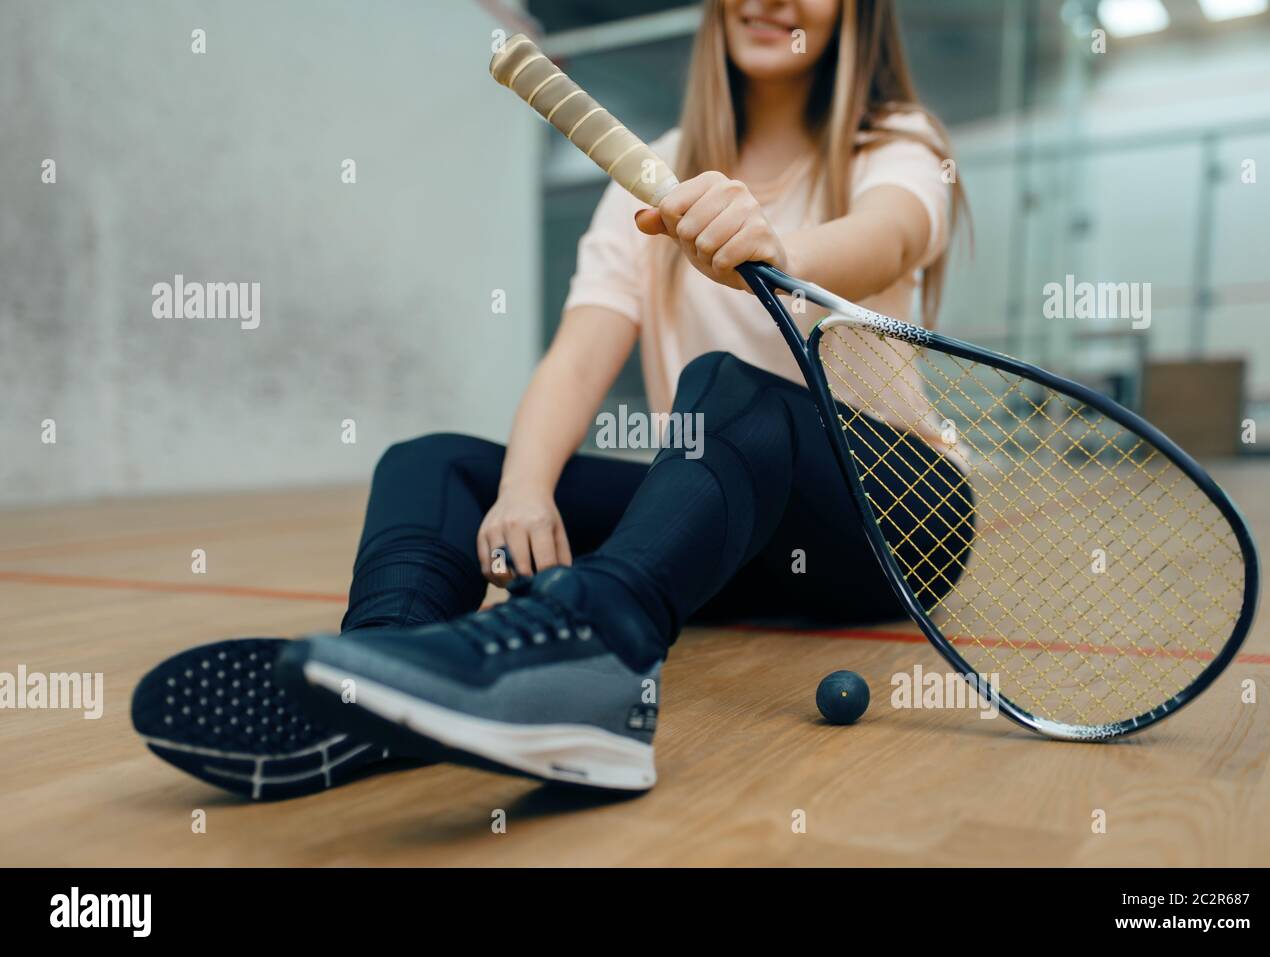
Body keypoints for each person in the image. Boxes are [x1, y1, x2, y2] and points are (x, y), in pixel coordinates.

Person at [133, 0, 969, 798]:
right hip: (733, 542)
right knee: (436, 465)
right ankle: (381, 682)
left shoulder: (896, 142)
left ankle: (596, 655)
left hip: (893, 517)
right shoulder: (653, 170)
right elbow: (576, 361)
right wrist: (525, 490)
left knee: (727, 387)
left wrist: (780, 247)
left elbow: (888, 234)